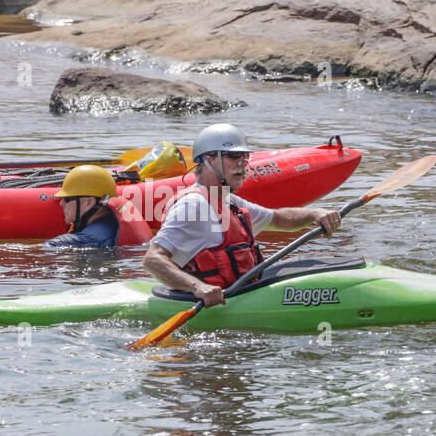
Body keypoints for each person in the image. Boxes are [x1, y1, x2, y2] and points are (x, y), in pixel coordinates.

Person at [143, 124, 341, 305]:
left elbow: (279, 219)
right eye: (233, 156)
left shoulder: (230, 202)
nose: (242, 163)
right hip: (207, 302)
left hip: (242, 293)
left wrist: (315, 213)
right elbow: (153, 260)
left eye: (244, 157)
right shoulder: (193, 205)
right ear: (209, 159)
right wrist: (198, 287)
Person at [44, 165, 152, 248]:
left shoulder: (89, 238)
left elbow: (48, 248)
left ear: (89, 203)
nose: (61, 203)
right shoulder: (110, 224)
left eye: (67, 199)